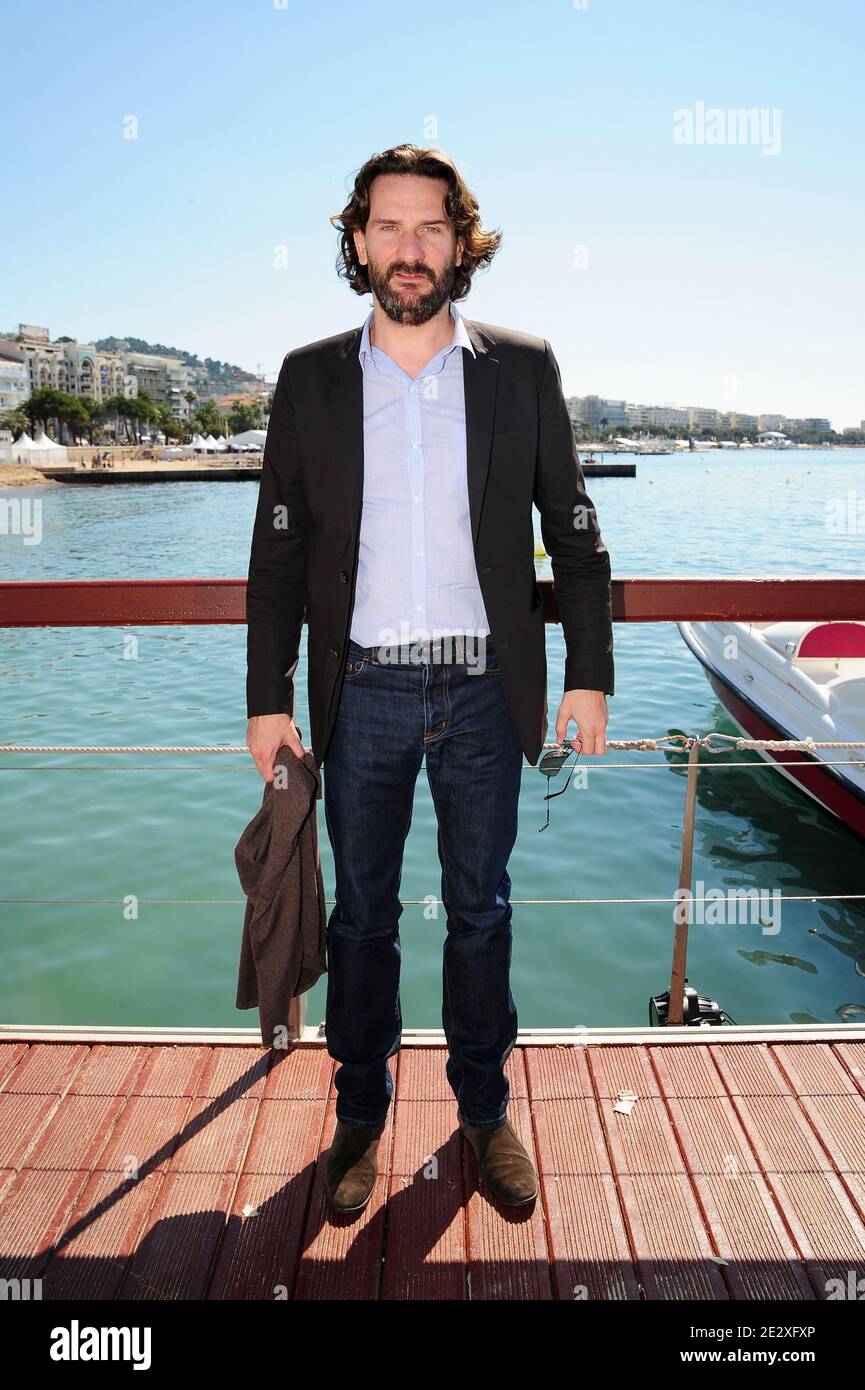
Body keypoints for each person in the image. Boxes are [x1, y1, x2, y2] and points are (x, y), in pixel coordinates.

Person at [244, 143, 614, 1214]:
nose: (410, 250)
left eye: (431, 228)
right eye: (389, 227)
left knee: (480, 911)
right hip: (357, 695)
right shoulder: (309, 377)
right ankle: (360, 1114)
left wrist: (586, 676)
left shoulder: (523, 368)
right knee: (360, 919)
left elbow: (576, 537)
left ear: (462, 243)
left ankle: (484, 1112)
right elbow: (277, 551)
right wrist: (268, 695)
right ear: (357, 241)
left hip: (483, 697)